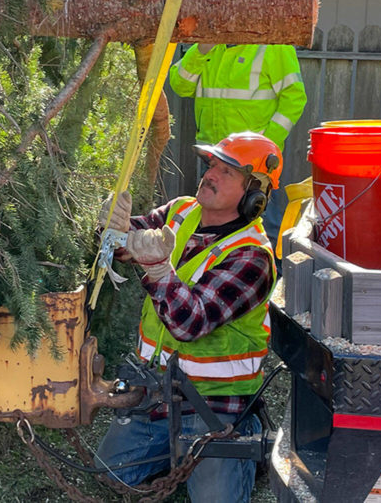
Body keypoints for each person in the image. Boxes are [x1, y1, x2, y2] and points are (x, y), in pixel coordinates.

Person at [96, 132, 282, 503]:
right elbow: (135, 238)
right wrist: (114, 230)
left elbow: (189, 323)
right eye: (212, 165)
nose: (210, 174)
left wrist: (158, 269)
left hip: (214, 408)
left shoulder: (252, 257)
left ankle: (242, 446)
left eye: (227, 172)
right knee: (108, 475)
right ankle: (177, 455)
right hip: (158, 397)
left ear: (254, 197)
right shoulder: (182, 211)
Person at [168, 43, 306, 247]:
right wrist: (201, 50)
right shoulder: (208, 45)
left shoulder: (273, 45)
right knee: (211, 226)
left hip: (254, 166)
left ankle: (269, 267)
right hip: (214, 158)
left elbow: (294, 98)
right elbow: (180, 86)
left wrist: (265, 147)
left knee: (263, 228)